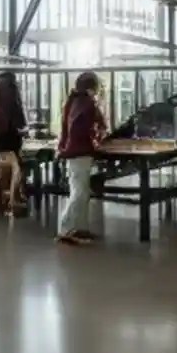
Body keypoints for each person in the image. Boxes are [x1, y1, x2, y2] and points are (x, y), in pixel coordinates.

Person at [57, 72, 107, 245]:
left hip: (73, 151)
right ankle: (65, 229)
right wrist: (93, 141)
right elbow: (80, 128)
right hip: (79, 152)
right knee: (79, 192)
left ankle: (80, 228)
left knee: (82, 191)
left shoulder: (74, 101)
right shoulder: (85, 103)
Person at [0, 71, 27, 215]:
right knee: (17, 170)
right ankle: (13, 201)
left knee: (2, 172)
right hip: (12, 141)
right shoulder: (13, 99)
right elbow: (20, 123)